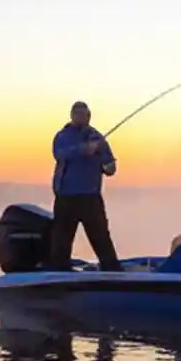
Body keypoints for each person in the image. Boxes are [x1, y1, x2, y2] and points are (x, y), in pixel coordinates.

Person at [46, 100, 123, 271]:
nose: (83, 117)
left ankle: (112, 270)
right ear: (72, 116)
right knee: (62, 240)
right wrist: (84, 149)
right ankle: (58, 272)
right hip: (66, 196)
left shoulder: (98, 138)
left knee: (101, 237)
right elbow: (60, 154)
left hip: (90, 197)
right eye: (79, 114)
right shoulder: (62, 136)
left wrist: (109, 167)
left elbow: (109, 166)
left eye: (86, 115)